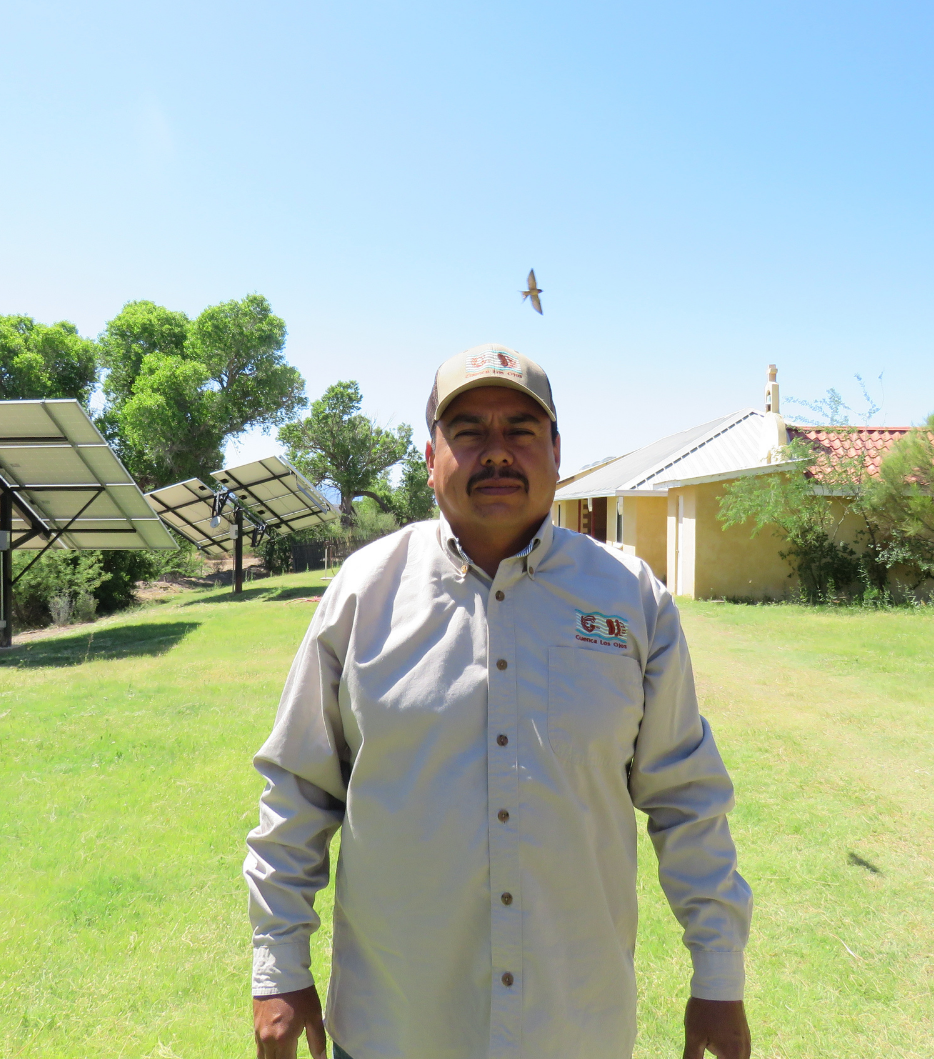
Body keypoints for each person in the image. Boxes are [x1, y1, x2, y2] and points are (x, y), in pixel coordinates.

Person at [244, 344, 753, 1059]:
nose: (497, 453)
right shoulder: (364, 594)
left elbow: (688, 801)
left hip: (575, 1027)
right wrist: (279, 969)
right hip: (400, 1025)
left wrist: (719, 977)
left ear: (555, 450)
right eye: (469, 432)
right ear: (430, 457)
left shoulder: (630, 599)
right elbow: (298, 791)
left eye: (520, 429)